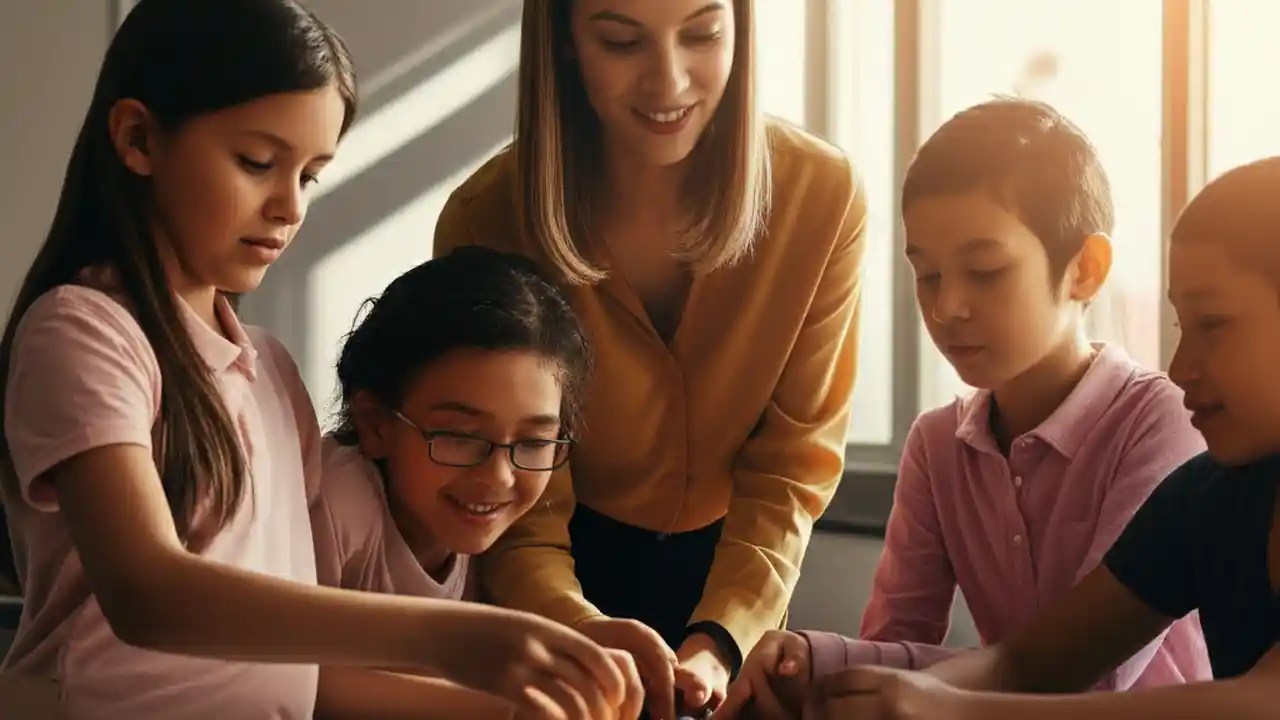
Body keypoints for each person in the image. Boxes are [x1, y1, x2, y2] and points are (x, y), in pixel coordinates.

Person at [0, 2, 634, 717]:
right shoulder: (84, 330)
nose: (288, 208)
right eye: (258, 163)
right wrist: (450, 637)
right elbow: (148, 596)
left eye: (308, 176)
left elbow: (298, 677)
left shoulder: (269, 370)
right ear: (140, 139)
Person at [433, 1, 866, 717]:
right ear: (566, 43)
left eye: (702, 34)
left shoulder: (822, 195)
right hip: (551, 572)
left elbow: (793, 463)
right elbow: (511, 487)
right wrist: (576, 630)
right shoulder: (485, 219)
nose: (668, 82)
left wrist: (723, 639)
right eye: (621, 41)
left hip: (737, 575)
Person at [715, 98, 1211, 719]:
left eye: (985, 271)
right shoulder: (937, 445)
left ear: (1085, 269)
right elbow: (894, 640)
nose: (948, 308)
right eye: (927, 276)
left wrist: (834, 663)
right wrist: (810, 668)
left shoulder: (1160, 422)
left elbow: (1096, 671)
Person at [797, 156, 1280, 719]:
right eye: (1180, 327)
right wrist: (847, 688)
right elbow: (1026, 664)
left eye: (1214, 324)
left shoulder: (1159, 422)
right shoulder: (1206, 497)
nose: (1180, 367)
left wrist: (953, 711)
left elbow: (1261, 702)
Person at [311, 246, 635, 717]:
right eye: (462, 437)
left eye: (532, 442)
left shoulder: (489, 540)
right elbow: (286, 674)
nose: (498, 476)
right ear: (375, 423)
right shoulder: (338, 503)